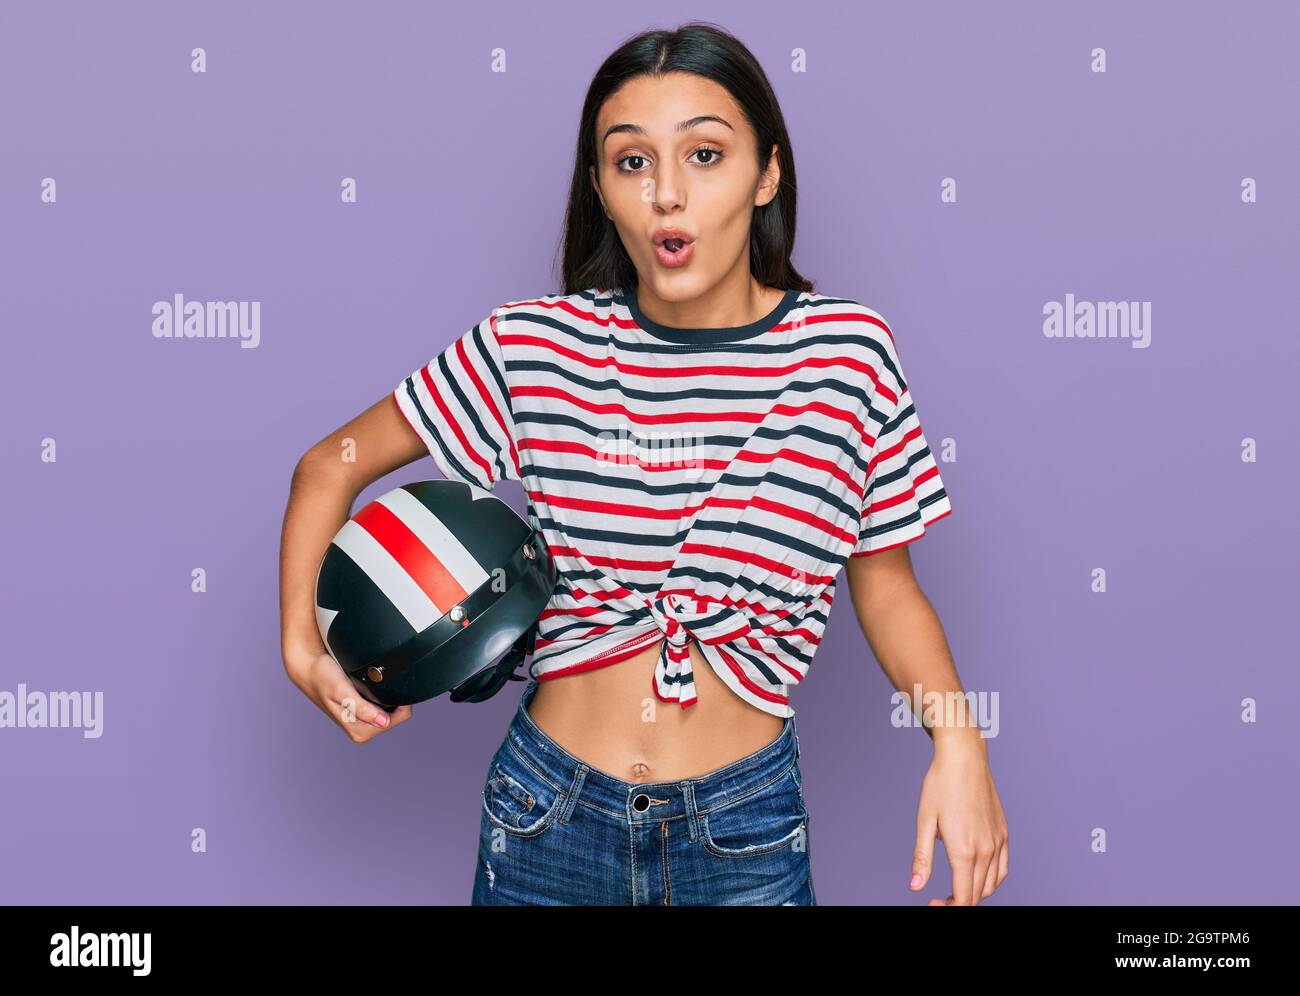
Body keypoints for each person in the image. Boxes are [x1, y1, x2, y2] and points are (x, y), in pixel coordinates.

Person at [279, 21, 1009, 906]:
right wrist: (302, 648)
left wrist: (959, 743)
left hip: (744, 827)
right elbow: (330, 465)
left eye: (705, 154)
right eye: (632, 163)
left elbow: (887, 586)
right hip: (545, 814)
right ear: (600, 185)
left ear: (767, 173)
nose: (668, 194)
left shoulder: (845, 357)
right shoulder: (536, 347)